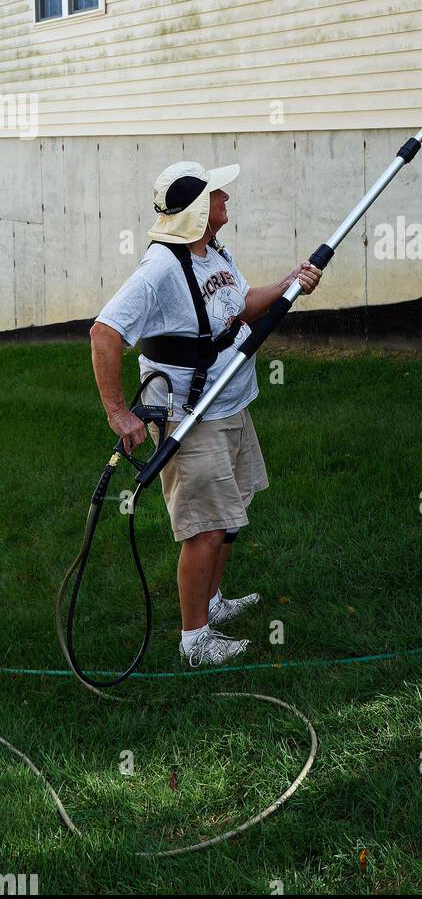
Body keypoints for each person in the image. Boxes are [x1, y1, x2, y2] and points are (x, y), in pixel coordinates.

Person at [90, 160, 321, 667]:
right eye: (219, 195)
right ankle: (194, 640)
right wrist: (118, 413)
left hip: (231, 404)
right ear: (199, 209)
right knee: (205, 528)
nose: (227, 201)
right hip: (190, 417)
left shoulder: (214, 251)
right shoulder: (159, 271)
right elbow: (104, 332)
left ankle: (213, 604)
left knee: (231, 515)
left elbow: (240, 305)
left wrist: (289, 284)